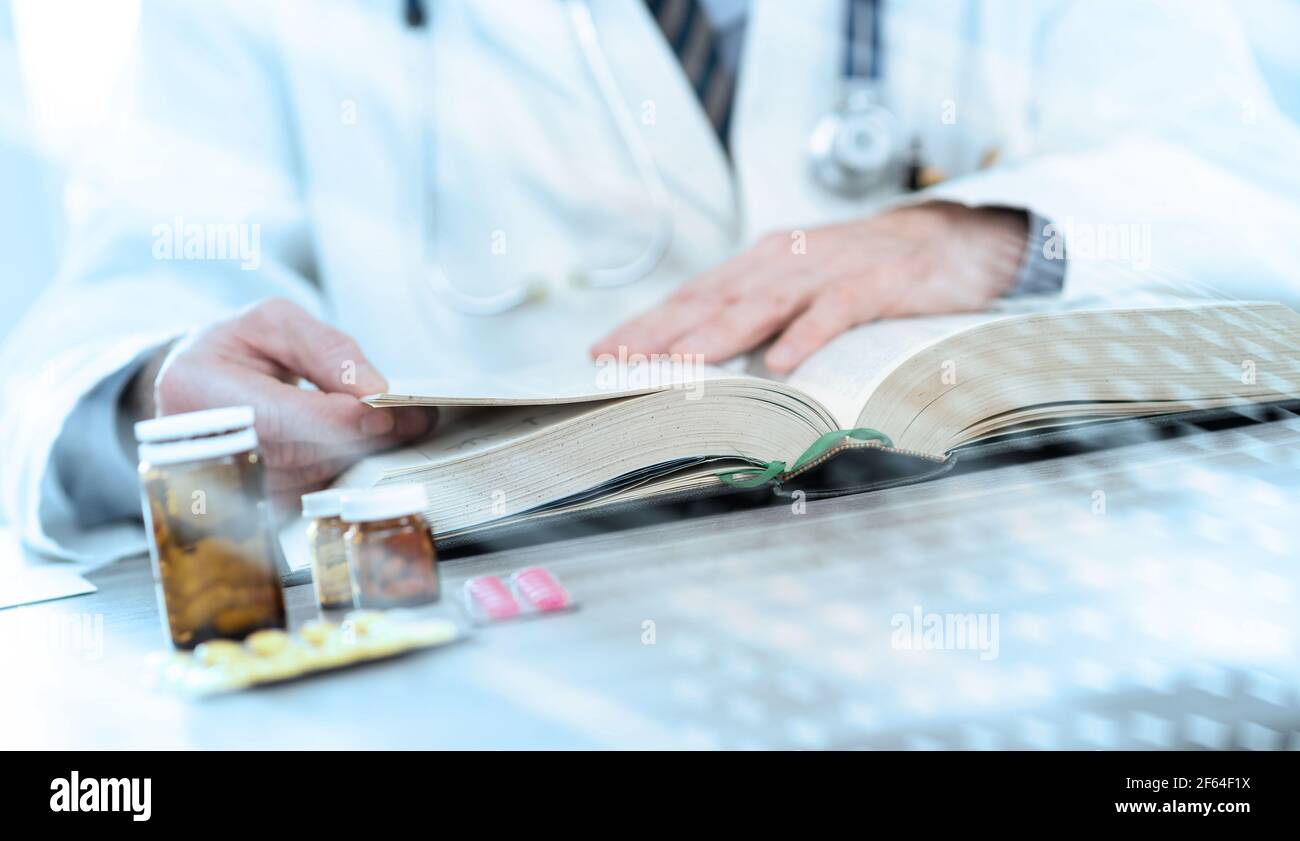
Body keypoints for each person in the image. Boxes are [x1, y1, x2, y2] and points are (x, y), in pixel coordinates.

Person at [3, 0, 1299, 559]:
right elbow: (106, 330)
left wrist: (991, 232)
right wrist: (148, 405)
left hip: (1017, 593)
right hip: (504, 658)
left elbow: (1251, 179)